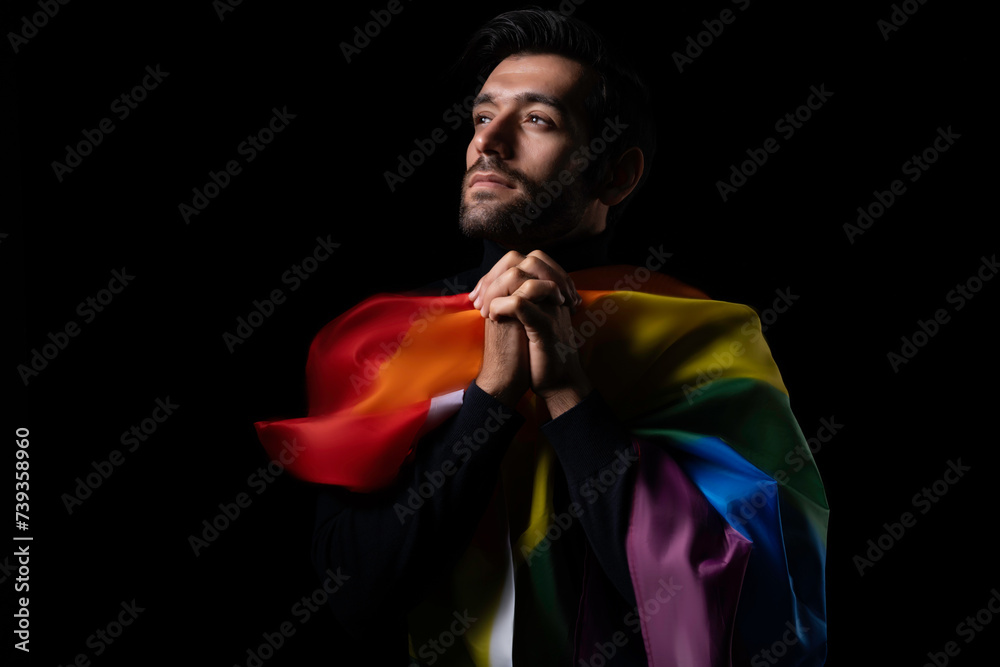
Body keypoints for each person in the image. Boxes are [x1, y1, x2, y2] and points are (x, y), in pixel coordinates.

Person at [255, 8, 828, 666]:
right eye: (481, 116)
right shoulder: (388, 342)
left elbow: (746, 606)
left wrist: (567, 389)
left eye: (536, 120)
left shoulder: (707, 344)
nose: (488, 142)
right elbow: (356, 599)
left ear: (616, 175)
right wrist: (490, 396)